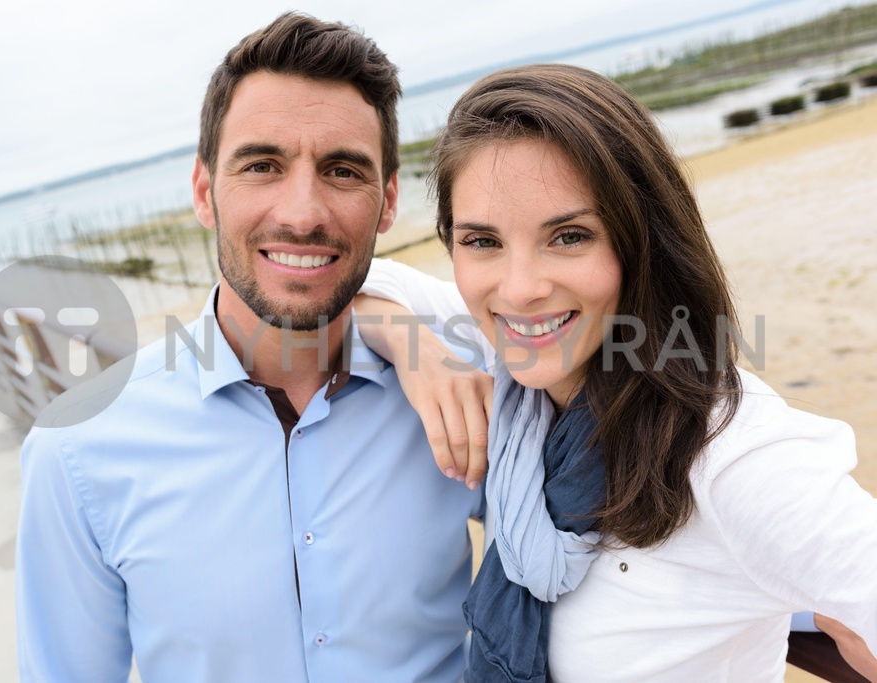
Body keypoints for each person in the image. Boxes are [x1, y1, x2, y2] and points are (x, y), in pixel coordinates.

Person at [357, 63, 877, 682]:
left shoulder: (730, 454)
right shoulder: (517, 392)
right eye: (481, 242)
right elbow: (345, 284)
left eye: (570, 236)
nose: (520, 289)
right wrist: (420, 352)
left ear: (642, 239)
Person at [13, 13, 492, 682]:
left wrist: (412, 336)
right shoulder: (78, 449)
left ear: (386, 205)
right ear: (205, 191)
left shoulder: (462, 388)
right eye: (262, 165)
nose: (302, 212)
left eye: (342, 170)